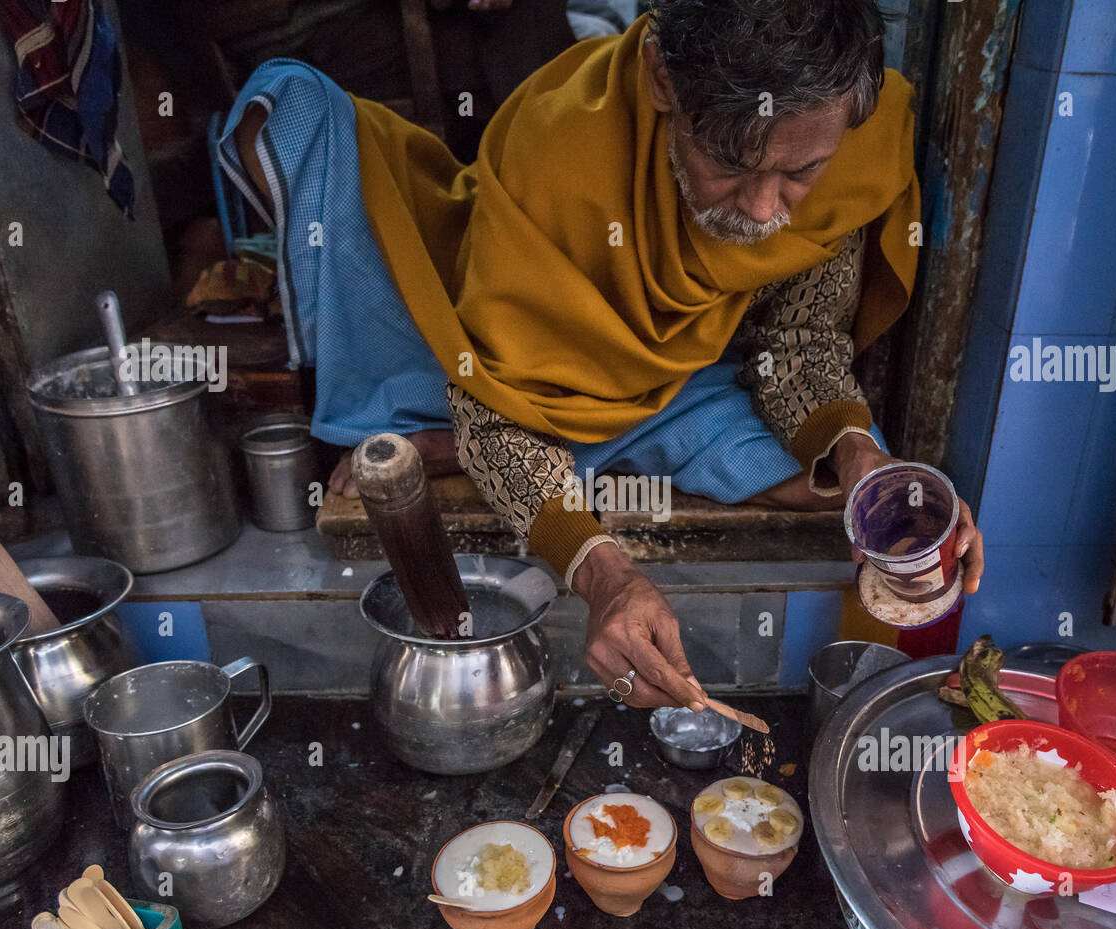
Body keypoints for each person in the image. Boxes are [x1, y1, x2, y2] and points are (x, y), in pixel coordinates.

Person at [221, 0, 984, 712]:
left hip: (685, 377)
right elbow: (494, 399)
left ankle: (559, 445)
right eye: (730, 163)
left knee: (854, 497)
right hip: (525, 361)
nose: (762, 208)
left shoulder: (851, 140)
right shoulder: (553, 151)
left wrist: (861, 460)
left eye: (799, 174)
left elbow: (800, 345)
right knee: (491, 419)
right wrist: (603, 572)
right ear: (660, 78)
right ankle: (546, 443)